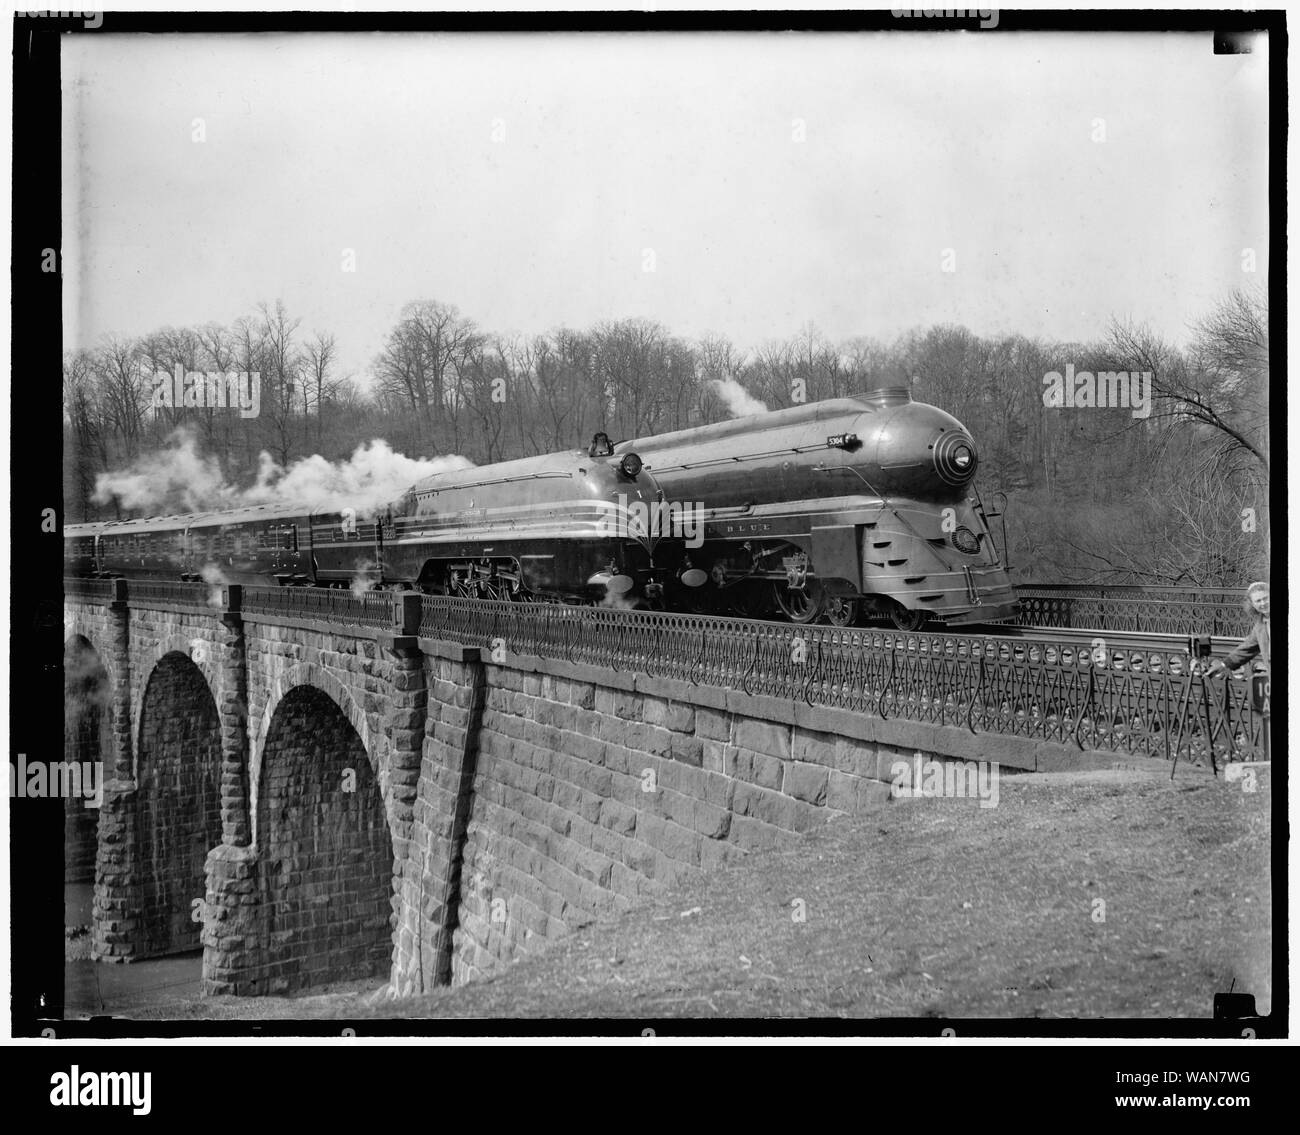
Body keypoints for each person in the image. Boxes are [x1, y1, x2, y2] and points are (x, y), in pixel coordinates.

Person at [1207, 581, 1270, 679]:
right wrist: (1223, 665)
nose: (1263, 603)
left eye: (1266, 598)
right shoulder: (1260, 625)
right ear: (1252, 604)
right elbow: (1247, 648)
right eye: (1258, 601)